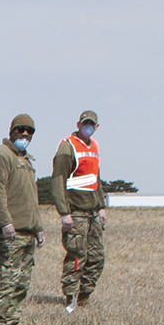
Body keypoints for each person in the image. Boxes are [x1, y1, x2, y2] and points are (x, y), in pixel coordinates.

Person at [0, 115, 44, 325]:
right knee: (4, 283)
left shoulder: (25, 161)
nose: (25, 135)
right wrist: (5, 222)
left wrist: (38, 227)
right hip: (6, 235)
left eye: (30, 131)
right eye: (21, 130)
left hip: (26, 235)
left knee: (20, 285)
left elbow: (31, 198)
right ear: (12, 130)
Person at [52, 110, 107, 312]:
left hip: (93, 212)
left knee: (97, 257)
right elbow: (58, 179)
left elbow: (95, 179)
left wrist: (101, 206)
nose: (88, 127)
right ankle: (70, 299)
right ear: (78, 124)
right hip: (76, 212)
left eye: (92, 124)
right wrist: (64, 212)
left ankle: (84, 296)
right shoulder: (68, 146)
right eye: (85, 124)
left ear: (97, 127)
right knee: (76, 257)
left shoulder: (94, 146)